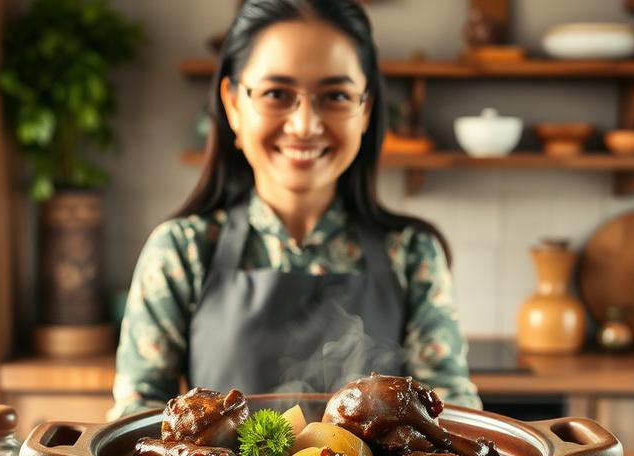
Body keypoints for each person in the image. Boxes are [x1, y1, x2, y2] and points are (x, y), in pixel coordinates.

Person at [110, 0, 481, 419]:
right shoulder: (183, 251)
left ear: (365, 109)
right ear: (233, 104)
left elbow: (451, 418)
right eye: (276, 94)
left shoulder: (411, 253)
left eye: (335, 95)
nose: (305, 125)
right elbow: (137, 421)